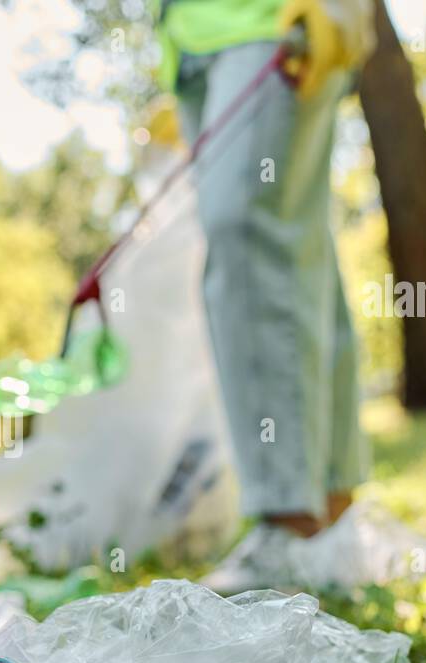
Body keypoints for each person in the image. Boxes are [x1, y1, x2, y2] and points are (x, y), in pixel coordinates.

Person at [153, 0, 377, 592]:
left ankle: (288, 523)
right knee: (298, 250)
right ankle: (331, 515)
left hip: (275, 19)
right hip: (195, 41)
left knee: (246, 233)